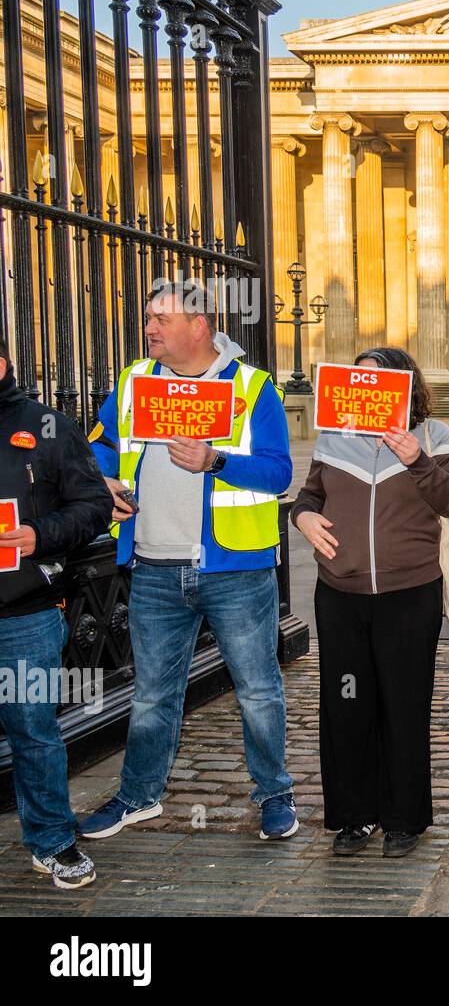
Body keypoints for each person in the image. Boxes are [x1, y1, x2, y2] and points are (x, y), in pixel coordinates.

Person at [77, 282, 298, 842]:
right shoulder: (133, 381)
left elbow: (278, 475)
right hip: (152, 565)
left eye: (160, 318)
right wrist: (101, 480)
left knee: (257, 689)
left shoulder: (252, 388)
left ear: (198, 326)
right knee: (152, 692)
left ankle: (274, 792)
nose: (149, 327)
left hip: (236, 571)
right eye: (148, 317)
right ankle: (139, 795)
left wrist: (216, 459)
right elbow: (99, 445)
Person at [291, 347, 449, 858]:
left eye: (378, 381)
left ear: (404, 385)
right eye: (359, 380)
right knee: (346, 706)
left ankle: (403, 820)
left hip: (408, 594)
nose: (367, 389)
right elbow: (309, 497)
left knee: (404, 707)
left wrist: (416, 459)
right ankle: (353, 817)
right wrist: (302, 518)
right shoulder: (333, 437)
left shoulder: (436, 436)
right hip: (340, 595)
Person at [0, 339, 113, 888]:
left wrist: (38, 535)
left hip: (23, 612)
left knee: (33, 731)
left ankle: (52, 839)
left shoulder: (48, 426)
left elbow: (92, 507)